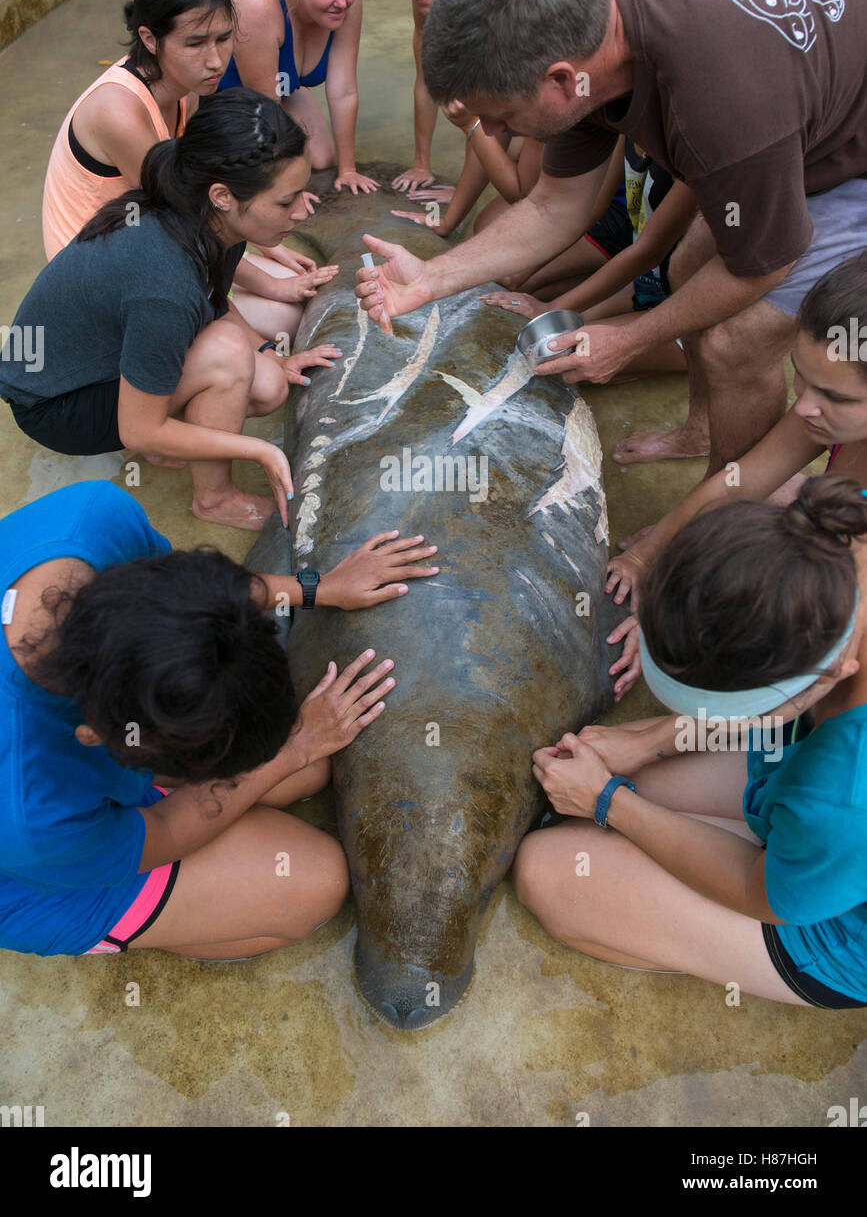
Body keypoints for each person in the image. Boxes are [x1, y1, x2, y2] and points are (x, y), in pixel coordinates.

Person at [353, 0, 867, 479]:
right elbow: (554, 207)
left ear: (562, 79)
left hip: (842, 139)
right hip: (799, 88)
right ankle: (705, 428)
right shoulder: (578, 28)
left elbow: (766, 265)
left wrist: (629, 338)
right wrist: (430, 278)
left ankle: (734, 519)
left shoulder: (719, 106)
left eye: (502, 118)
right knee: (691, 264)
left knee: (734, 344)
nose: (493, 136)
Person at [0, 481, 439, 960]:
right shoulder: (32, 814)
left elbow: (193, 598)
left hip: (83, 771)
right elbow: (164, 831)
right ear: (96, 738)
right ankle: (146, 929)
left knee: (312, 770)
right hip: (38, 879)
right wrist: (295, 747)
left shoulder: (96, 519)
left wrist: (319, 588)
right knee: (313, 883)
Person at [514, 472, 867, 1008]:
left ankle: (694, 942)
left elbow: (759, 890)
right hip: (820, 802)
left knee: (548, 872)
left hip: (833, 926)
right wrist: (650, 743)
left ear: (829, 671)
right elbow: (774, 709)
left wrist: (610, 802)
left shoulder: (843, 796)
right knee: (627, 770)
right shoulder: (845, 526)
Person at [1, 89, 335, 532]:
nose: (299, 213)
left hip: (91, 365)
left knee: (268, 383)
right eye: (284, 201)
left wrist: (272, 352)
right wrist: (259, 450)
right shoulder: (163, 279)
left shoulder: (204, 217)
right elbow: (139, 425)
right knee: (228, 356)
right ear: (222, 195)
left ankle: (167, 431)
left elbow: (214, 301)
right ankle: (215, 499)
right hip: (55, 407)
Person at [606, 253, 867, 680]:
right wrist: (644, 556)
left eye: (835, 397)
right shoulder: (819, 409)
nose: (802, 405)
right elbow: (734, 483)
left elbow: (827, 658)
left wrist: (675, 615)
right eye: (800, 374)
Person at [41, 0, 325, 340]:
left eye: (224, 38)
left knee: (296, 297)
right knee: (280, 325)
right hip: (97, 281)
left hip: (151, 245)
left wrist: (269, 248)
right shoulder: (119, 112)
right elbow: (187, 220)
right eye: (195, 43)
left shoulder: (184, 90)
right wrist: (269, 283)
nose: (215, 61)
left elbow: (202, 204)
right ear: (149, 38)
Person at [483, 137, 693, 379]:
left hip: (689, 304)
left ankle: (673, 357)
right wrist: (523, 269)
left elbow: (647, 252)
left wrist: (553, 306)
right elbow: (590, 210)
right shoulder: (630, 127)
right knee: (544, 339)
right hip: (648, 283)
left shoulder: (692, 148)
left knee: (567, 357)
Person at [219, 0, 377, 197]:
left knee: (322, 159)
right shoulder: (257, 2)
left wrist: (348, 169)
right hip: (235, 98)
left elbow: (342, 90)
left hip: (282, 88)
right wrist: (286, 189)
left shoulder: (347, 0)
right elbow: (264, 107)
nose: (341, 1)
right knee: (272, 175)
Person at [388, 0, 473, 199]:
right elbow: (426, 82)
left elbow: (493, 116)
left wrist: (463, 192)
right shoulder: (426, 2)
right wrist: (421, 165)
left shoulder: (482, 12)